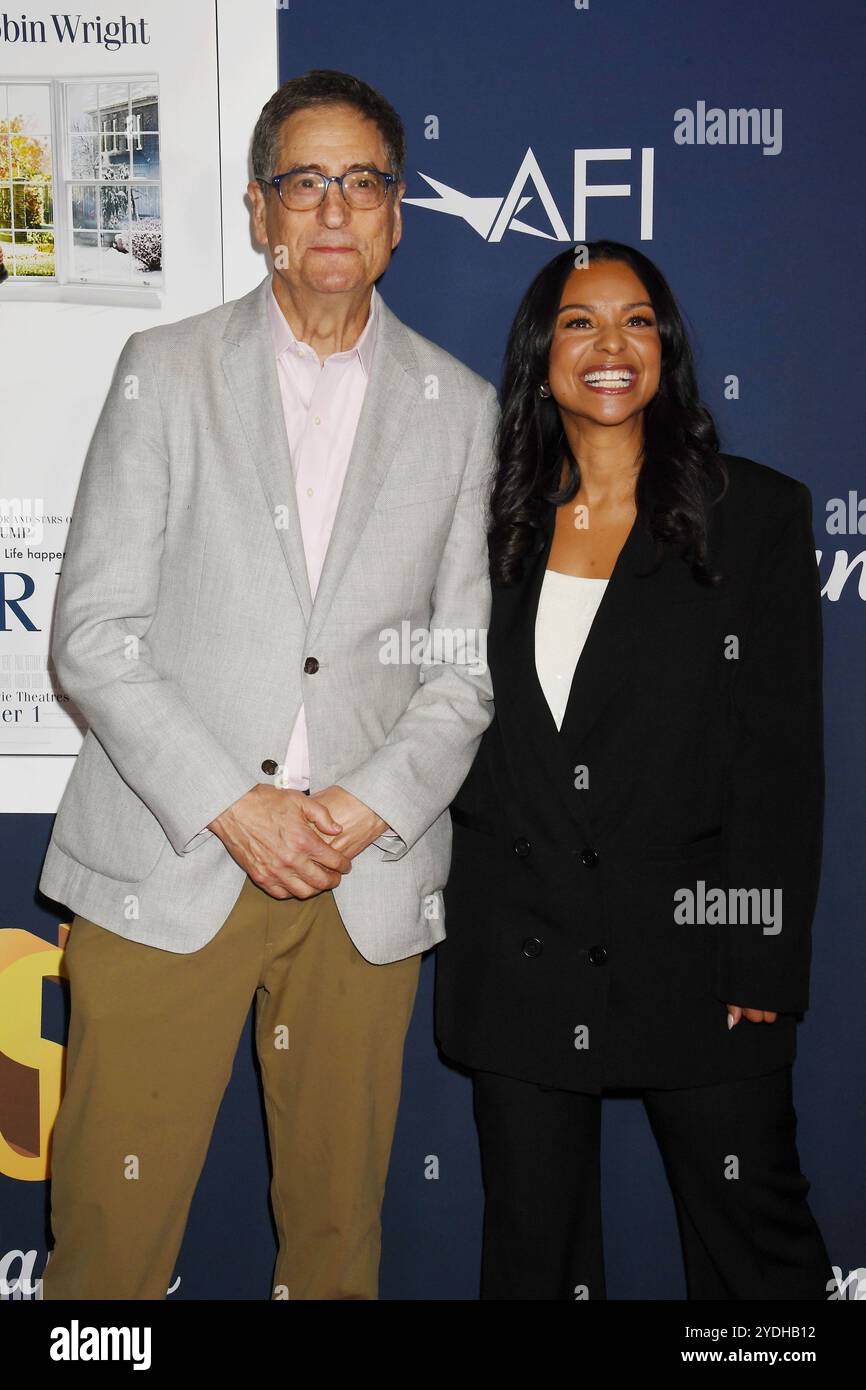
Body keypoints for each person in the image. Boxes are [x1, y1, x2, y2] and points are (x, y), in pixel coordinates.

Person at [39, 69, 497, 1300]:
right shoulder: (164, 371)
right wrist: (236, 805)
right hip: (169, 859)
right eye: (306, 182)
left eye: (363, 184)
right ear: (259, 211)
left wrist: (357, 809)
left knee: (338, 1244)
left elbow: (460, 669)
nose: (334, 210)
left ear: (397, 214)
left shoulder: (461, 412)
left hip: (362, 877)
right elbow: (91, 631)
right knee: (107, 1245)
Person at [434, 239, 834, 1300]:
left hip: (699, 956)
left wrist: (758, 954)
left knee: (755, 1253)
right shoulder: (481, 522)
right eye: (577, 321)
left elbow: (779, 760)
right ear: (540, 351)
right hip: (520, 951)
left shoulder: (750, 514)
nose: (608, 345)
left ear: (666, 348)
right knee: (533, 1256)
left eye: (634, 321)